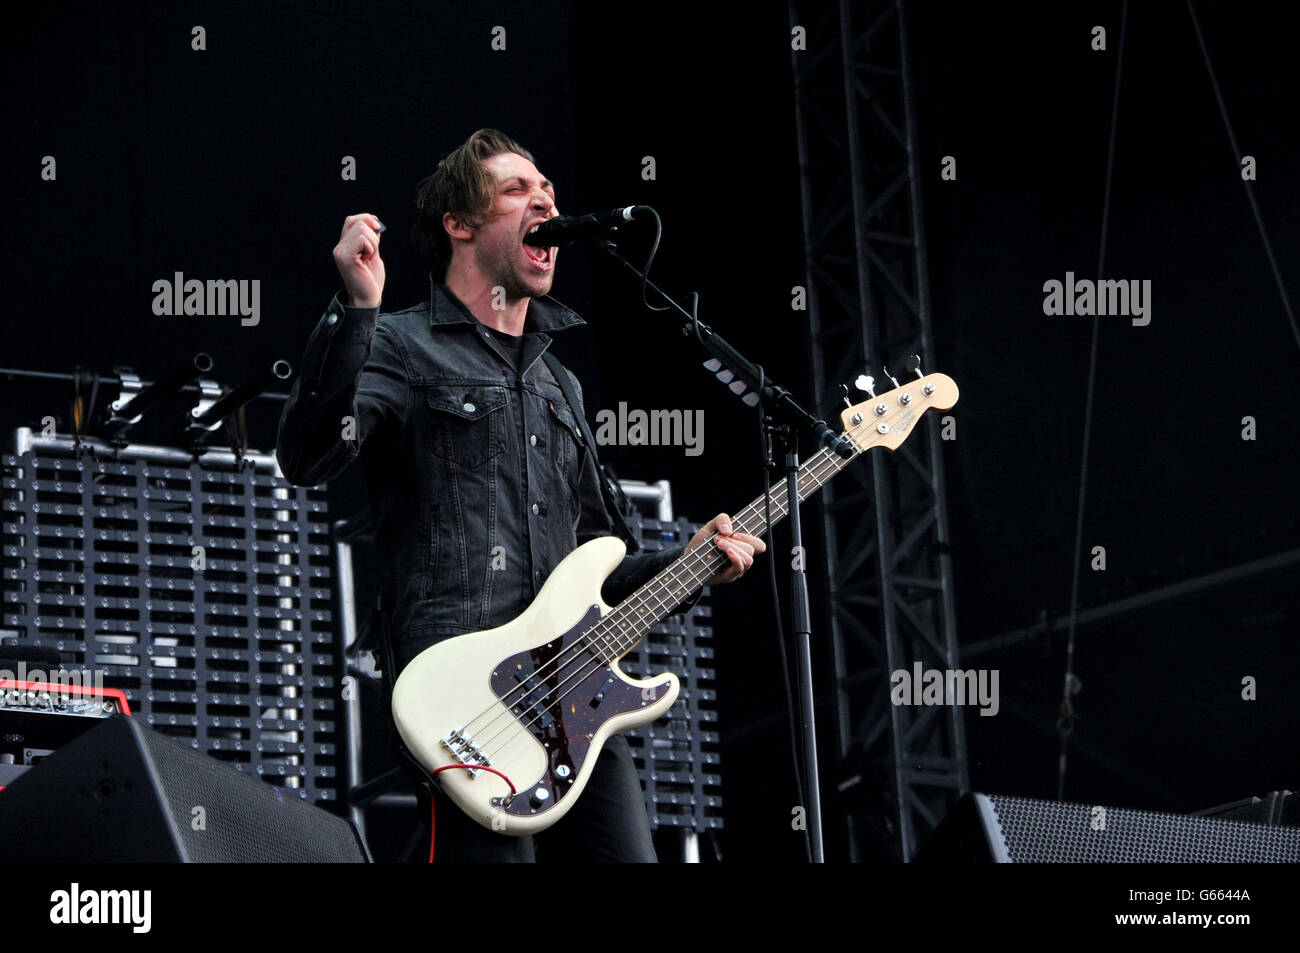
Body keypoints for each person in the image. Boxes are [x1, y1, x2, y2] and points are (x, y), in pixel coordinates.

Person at [276, 128, 765, 862]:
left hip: (574, 700)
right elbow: (308, 455)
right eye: (517, 190)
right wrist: (357, 310)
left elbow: (606, 564)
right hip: (461, 700)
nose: (546, 200)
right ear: (460, 224)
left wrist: (690, 563)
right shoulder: (403, 345)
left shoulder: (558, 384)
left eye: (550, 193)